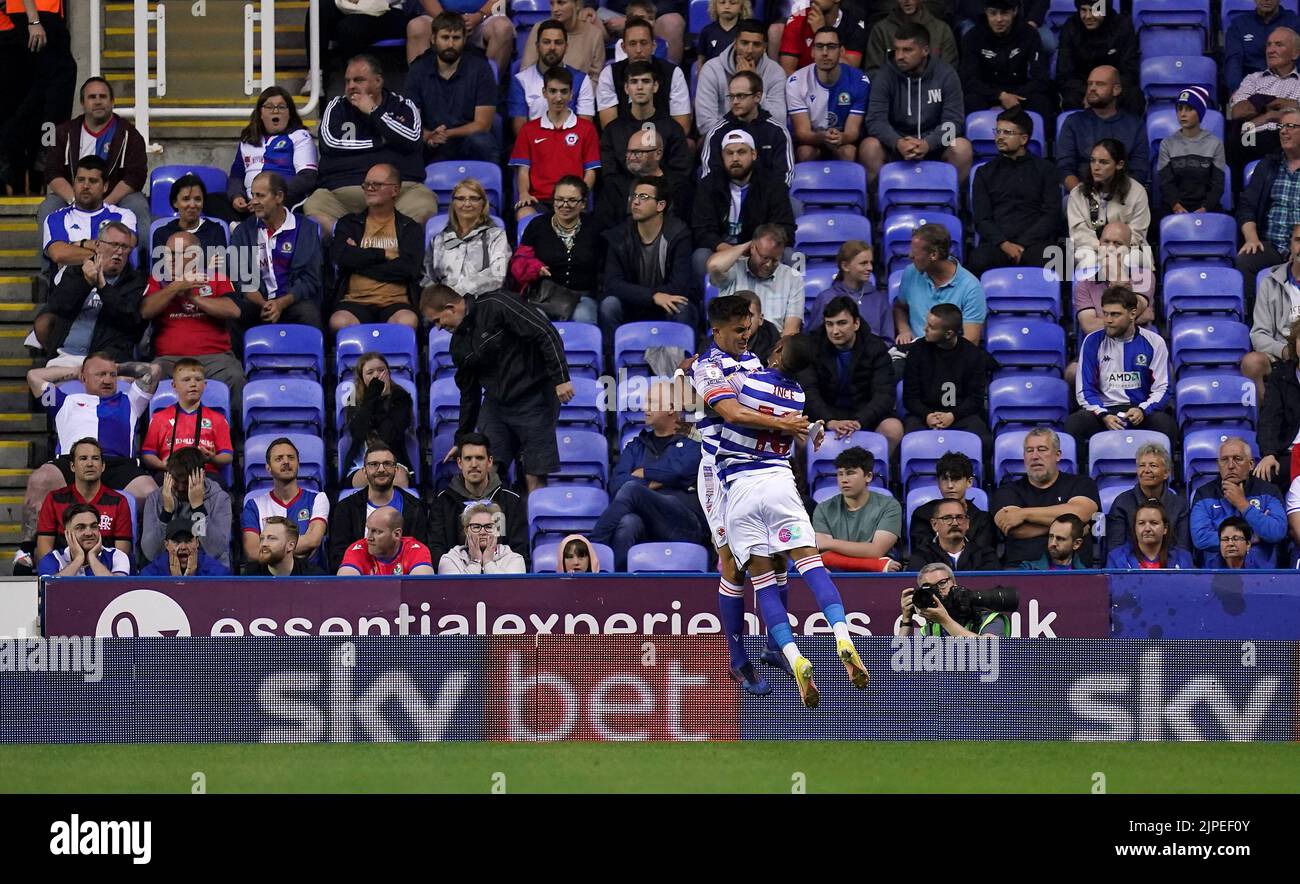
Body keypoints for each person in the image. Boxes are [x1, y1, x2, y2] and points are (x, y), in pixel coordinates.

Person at [717, 333, 871, 708]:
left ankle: (793, 655)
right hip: (780, 484)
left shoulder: (750, 382)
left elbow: (729, 409)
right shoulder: (799, 397)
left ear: (779, 351)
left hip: (740, 489)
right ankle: (842, 634)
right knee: (810, 564)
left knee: (764, 583)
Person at [690, 295, 811, 695]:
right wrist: (787, 424)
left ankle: (777, 645)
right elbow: (734, 414)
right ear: (717, 331)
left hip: (752, 471)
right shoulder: (707, 367)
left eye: (749, 328)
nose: (746, 336)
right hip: (717, 472)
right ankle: (738, 658)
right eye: (738, 330)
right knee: (732, 563)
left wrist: (798, 423)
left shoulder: (755, 363)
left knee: (776, 553)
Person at [426, 286, 574, 493]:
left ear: (451, 308)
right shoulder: (457, 346)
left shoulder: (497, 304)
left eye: (437, 320)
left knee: (534, 474)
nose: (439, 327)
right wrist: (462, 439)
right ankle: (495, 523)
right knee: (488, 471)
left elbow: (545, 332)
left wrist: (561, 379)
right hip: (496, 405)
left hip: (535, 398)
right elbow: (469, 394)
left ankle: (533, 523)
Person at [23, 355, 160, 558]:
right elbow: (33, 376)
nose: (107, 380)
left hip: (117, 464)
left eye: (112, 375)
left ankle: (150, 558)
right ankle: (26, 551)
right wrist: (77, 370)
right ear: (84, 378)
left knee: (152, 494)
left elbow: (154, 370)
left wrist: (117, 365)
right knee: (39, 479)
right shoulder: (64, 401)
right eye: (100, 374)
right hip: (73, 462)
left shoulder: (131, 400)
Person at [304, 56, 439, 237]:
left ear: (378, 82)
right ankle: (349, 240)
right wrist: (384, 142)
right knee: (315, 205)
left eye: (358, 80)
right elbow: (330, 144)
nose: (351, 86)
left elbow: (413, 139)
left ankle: (388, 244)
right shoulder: (336, 107)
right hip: (343, 194)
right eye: (348, 81)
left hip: (400, 193)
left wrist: (375, 112)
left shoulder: (403, 106)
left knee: (424, 204)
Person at [591, 379, 707, 569]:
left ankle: (593, 548)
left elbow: (678, 472)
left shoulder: (693, 443)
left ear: (671, 408)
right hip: (646, 523)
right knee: (628, 522)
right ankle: (617, 585)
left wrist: (645, 473)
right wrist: (654, 484)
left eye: (652, 402)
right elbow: (616, 484)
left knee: (632, 489)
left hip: (686, 525)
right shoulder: (636, 446)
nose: (645, 407)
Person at [1067, 285, 1176, 464]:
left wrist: (1143, 409)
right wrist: (1103, 414)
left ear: (1132, 314)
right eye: (1105, 313)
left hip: (1139, 410)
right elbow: (1085, 390)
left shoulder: (1154, 342)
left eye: (1115, 314)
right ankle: (1080, 477)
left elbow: (1163, 388)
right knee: (1075, 423)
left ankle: (1166, 478)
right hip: (1104, 411)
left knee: (1165, 424)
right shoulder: (1092, 341)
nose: (1108, 320)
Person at [141, 231, 246, 405]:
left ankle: (233, 433)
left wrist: (193, 298)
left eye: (178, 254)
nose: (171, 259)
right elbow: (145, 311)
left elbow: (233, 310)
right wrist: (175, 287)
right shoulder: (158, 280)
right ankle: (150, 432)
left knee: (235, 377)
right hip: (169, 359)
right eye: (167, 254)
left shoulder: (216, 277)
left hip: (216, 358)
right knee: (148, 379)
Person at [862, 24, 972, 186]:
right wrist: (898, 142)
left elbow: (954, 123)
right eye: (897, 49)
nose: (899, 56)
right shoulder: (884, 75)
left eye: (907, 50)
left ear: (925, 51)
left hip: (935, 145)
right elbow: (875, 121)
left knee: (962, 147)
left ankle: (951, 205)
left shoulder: (946, 74)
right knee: (869, 147)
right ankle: (879, 207)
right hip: (896, 145)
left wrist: (929, 143)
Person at [38, 77, 149, 238]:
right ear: (82, 103)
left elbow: (136, 176)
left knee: (137, 205)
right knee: (48, 207)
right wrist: (74, 202)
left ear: (112, 102)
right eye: (92, 97)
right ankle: (50, 263)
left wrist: (105, 205)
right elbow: (52, 172)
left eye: (103, 97)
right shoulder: (62, 133)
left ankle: (141, 263)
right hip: (73, 197)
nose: (98, 101)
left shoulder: (130, 134)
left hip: (115, 198)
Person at [327, 162, 424, 334]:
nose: (369, 188)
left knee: (407, 322)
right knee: (339, 322)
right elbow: (341, 257)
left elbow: (409, 269)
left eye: (377, 184)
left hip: (396, 303)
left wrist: (358, 260)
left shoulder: (409, 227)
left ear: (395, 190)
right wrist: (384, 254)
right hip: (354, 302)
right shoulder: (349, 223)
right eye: (366, 184)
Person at [33, 220, 145, 367]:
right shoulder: (76, 270)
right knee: (35, 377)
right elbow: (59, 306)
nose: (119, 251)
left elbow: (131, 320)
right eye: (114, 245)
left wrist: (102, 287)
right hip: (65, 356)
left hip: (107, 362)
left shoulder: (135, 280)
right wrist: (85, 281)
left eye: (124, 247)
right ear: (98, 245)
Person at [690, 129, 796, 281]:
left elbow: (785, 228)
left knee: (789, 255)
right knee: (700, 256)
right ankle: (708, 302)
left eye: (741, 152)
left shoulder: (772, 185)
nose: (735, 158)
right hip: (721, 249)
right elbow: (701, 230)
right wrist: (729, 249)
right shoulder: (709, 185)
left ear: (753, 155)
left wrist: (758, 247)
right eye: (729, 153)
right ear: (722, 156)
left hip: (760, 249)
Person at [801, 296, 904, 451]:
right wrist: (830, 421)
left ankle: (873, 474)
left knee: (892, 429)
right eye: (829, 324)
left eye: (842, 323)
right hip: (825, 416)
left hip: (864, 415)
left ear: (856, 323)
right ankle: (805, 475)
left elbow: (884, 395)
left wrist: (859, 421)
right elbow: (808, 392)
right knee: (799, 433)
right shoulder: (812, 347)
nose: (835, 331)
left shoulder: (875, 348)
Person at [600, 175, 697, 338]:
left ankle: (683, 361)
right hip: (632, 304)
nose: (636, 202)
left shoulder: (678, 235)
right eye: (635, 196)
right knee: (609, 305)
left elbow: (680, 286)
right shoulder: (619, 236)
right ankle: (611, 362)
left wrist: (657, 298)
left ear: (660, 205)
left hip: (666, 305)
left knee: (681, 306)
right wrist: (652, 296)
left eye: (644, 197)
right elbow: (612, 283)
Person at [967, 108, 1061, 277]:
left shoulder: (1046, 170)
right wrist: (1004, 244)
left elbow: (1051, 215)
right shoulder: (984, 172)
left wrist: (1022, 245)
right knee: (977, 260)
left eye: (1007, 132)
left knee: (1057, 260)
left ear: (1024, 138)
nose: (1000, 137)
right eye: (998, 131)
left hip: (1035, 243)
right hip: (998, 244)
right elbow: (982, 219)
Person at [990, 426, 1101, 567]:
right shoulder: (1007, 490)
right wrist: (1071, 529)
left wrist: (1023, 514)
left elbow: (1080, 512)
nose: (1035, 456)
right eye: (1029, 451)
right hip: (1020, 572)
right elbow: (1012, 528)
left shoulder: (1081, 484)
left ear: (1058, 455)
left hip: (1073, 573)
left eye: (1042, 449)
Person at [229, 171, 324, 331]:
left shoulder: (306, 229)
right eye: (253, 195)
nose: (254, 201)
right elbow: (242, 279)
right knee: (235, 313)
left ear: (279, 197)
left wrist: (280, 303)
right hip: (258, 302)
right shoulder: (243, 232)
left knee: (309, 313)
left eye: (260, 196)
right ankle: (236, 357)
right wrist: (264, 304)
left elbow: (310, 279)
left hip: (293, 301)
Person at [404, 12, 499, 163]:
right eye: (445, 37)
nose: (450, 44)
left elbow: (483, 124)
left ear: (465, 39)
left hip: (466, 138)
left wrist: (447, 133)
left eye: (456, 38)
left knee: (482, 142)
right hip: (431, 139)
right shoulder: (418, 69)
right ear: (433, 39)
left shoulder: (481, 69)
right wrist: (428, 135)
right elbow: (411, 121)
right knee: (406, 141)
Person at [510, 66, 601, 220]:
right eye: (553, 91)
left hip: (571, 200)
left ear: (571, 94)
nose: (558, 98)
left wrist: (579, 197)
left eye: (564, 91)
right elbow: (523, 170)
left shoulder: (587, 129)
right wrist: (524, 194)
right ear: (544, 93)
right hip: (539, 200)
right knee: (524, 214)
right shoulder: (528, 129)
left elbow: (590, 171)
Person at [215, 86, 317, 223]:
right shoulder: (247, 140)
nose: (275, 111)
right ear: (260, 113)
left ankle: (246, 228)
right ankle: (240, 227)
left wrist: (270, 197)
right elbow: (236, 176)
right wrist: (237, 196)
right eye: (269, 107)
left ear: (289, 113)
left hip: (281, 201)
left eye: (281, 107)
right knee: (212, 200)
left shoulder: (300, 137)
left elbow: (307, 177)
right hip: (249, 203)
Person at [902, 302, 993, 451]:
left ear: (949, 333)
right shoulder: (917, 351)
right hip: (924, 415)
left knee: (984, 441)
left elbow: (975, 400)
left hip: (960, 416)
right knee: (909, 442)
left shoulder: (973, 355)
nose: (925, 329)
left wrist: (953, 415)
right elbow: (910, 398)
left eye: (931, 327)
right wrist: (927, 415)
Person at [427, 432, 528, 565]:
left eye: (479, 458)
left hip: (500, 577)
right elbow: (437, 549)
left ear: (490, 461)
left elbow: (519, 551)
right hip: (456, 577)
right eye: (468, 458)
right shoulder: (443, 501)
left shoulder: (511, 501)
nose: (474, 464)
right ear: (459, 462)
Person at [514, 176, 602, 324]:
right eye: (559, 199)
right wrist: (535, 268)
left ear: (583, 203)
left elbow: (605, 268)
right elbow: (519, 262)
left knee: (583, 317)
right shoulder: (537, 225)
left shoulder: (596, 228)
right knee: (534, 319)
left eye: (572, 200)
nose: (565, 205)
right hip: (543, 297)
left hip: (583, 297)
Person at [41, 156, 137, 288]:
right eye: (80, 180)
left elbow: (128, 244)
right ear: (74, 183)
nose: (85, 186)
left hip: (111, 291)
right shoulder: (56, 218)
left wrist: (79, 244)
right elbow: (58, 254)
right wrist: (106, 254)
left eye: (93, 181)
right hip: (69, 293)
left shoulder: (123, 215)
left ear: (105, 186)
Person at [329, 443, 430, 568]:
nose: (381, 469)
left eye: (387, 463)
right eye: (374, 464)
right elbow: (338, 556)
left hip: (403, 581)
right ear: (364, 471)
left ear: (396, 470)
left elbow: (420, 552)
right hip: (360, 580)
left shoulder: (415, 507)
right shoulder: (345, 508)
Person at [33, 436, 133, 563]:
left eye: (95, 458)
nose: (90, 464)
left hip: (104, 575)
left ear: (102, 466)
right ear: (72, 466)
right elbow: (45, 550)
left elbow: (121, 556)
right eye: (83, 458)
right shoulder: (54, 499)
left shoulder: (119, 502)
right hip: (65, 573)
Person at [1191, 437, 1287, 565]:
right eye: (1224, 460)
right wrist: (1248, 538)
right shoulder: (1204, 494)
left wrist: (1242, 504)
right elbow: (1200, 538)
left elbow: (1277, 532)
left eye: (1237, 459)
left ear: (1251, 464)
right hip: (1216, 574)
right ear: (1218, 464)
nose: (1230, 466)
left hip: (1263, 574)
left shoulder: (1269, 491)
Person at [785, 26, 870, 165]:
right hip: (812, 140)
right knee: (805, 152)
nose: (825, 53)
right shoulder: (796, 81)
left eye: (831, 47)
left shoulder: (859, 81)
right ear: (812, 52)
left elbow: (853, 131)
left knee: (848, 152)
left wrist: (842, 137)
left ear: (841, 51)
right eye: (819, 47)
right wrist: (823, 136)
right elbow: (803, 133)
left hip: (842, 140)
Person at [1071, 222, 1156, 360]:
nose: (1110, 248)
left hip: (1138, 350)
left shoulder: (1144, 276)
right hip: (1100, 350)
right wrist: (1136, 317)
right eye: (1106, 242)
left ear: (1129, 249)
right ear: (1099, 245)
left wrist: (1118, 276)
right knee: (1072, 372)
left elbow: (1137, 307)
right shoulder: (1084, 285)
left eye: (1117, 244)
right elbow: (1089, 326)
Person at [1056, 67, 1150, 191]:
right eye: (1090, 84)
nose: (1092, 88)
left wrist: (1116, 196)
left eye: (1100, 84)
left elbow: (1140, 170)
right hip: (1082, 194)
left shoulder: (1135, 124)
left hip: (1124, 195)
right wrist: (1082, 196)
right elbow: (1064, 168)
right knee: (1066, 203)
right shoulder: (1073, 122)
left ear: (1116, 89)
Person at [811, 446, 904, 571]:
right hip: (840, 572)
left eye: (850, 473)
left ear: (868, 476)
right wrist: (876, 564)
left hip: (876, 576)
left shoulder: (889, 506)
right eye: (840, 474)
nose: (844, 480)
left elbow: (876, 551)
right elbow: (824, 557)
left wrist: (830, 543)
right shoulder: (823, 508)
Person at [138, 446, 233, 569]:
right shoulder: (155, 499)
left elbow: (216, 550)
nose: (181, 487)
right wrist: (166, 513)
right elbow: (151, 553)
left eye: (186, 482)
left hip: (208, 569)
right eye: (176, 480)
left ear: (202, 476)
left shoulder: (220, 498)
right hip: (166, 568)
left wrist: (198, 508)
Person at [240, 437, 330, 565]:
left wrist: (269, 549)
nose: (286, 462)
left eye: (291, 457)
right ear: (268, 468)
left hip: (308, 576)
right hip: (268, 578)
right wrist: (295, 549)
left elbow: (312, 541)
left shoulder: (318, 499)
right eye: (279, 458)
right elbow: (253, 551)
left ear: (298, 464)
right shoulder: (254, 505)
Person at [893, 223, 987, 346]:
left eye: (915, 252)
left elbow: (970, 341)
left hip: (951, 358)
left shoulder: (971, 287)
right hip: (915, 353)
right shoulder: (911, 273)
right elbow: (900, 307)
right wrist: (904, 329)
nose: (910, 255)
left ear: (933, 255)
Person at [1237, 108, 1300, 288]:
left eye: (1290, 126)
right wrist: (1252, 239)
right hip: (1271, 246)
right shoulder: (1268, 165)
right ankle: (1252, 316)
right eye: (1281, 126)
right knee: (1245, 261)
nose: (1283, 131)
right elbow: (1246, 206)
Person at [140, 359, 235, 477]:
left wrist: (212, 459)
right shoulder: (159, 418)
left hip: (206, 474)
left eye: (198, 379)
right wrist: (161, 465)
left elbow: (227, 456)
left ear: (204, 385)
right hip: (170, 474)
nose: (193, 384)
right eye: (186, 380)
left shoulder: (218, 419)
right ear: (174, 385)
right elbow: (148, 454)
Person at [596, 16, 692, 132]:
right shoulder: (609, 74)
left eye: (643, 43)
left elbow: (682, 128)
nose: (638, 50)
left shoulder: (673, 73)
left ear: (654, 46)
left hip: (665, 143)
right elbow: (609, 129)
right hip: (622, 145)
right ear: (623, 47)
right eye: (632, 43)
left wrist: (652, 144)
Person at [597, 114, 692, 231]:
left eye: (637, 153)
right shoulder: (614, 187)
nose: (631, 157)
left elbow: (685, 226)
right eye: (629, 152)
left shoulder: (679, 187)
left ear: (658, 153)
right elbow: (604, 228)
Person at [695, 18, 788, 137]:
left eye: (756, 44)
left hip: (762, 138)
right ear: (735, 42)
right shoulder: (711, 69)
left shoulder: (776, 72)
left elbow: (780, 121)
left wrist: (754, 84)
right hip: (722, 138)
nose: (749, 50)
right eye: (744, 43)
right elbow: (705, 123)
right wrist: (738, 139)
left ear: (765, 46)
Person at [708, 221, 804, 335]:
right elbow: (714, 265)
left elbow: (791, 331)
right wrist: (744, 247)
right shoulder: (733, 269)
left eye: (775, 260)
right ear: (752, 248)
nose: (768, 265)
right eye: (764, 257)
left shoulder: (793, 278)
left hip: (772, 345)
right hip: (732, 342)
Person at [958, 0, 1050, 118]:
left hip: (1020, 91)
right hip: (986, 92)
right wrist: (1000, 96)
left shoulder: (1029, 34)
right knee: (970, 101)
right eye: (993, 13)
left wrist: (1014, 97)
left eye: (1005, 13)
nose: (999, 19)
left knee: (1042, 102)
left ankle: (1043, 136)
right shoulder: (972, 36)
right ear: (986, 12)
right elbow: (967, 79)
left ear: (1015, 11)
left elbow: (1041, 77)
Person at [1066, 139, 1151, 267]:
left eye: (1103, 162)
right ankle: (1089, 288)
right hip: (1091, 249)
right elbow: (1078, 232)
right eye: (1093, 160)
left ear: (1119, 164)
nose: (1096, 167)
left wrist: (1116, 248)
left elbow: (1138, 232)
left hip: (1128, 249)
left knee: (1131, 260)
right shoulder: (1078, 193)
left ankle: (1125, 287)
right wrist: (1101, 247)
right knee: (1087, 261)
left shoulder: (1137, 192)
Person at [699, 71, 794, 185]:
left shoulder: (777, 132)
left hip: (769, 199)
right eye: (732, 96)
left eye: (741, 96)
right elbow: (710, 176)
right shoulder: (717, 132)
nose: (735, 102)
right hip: (727, 199)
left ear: (757, 97)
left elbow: (784, 176)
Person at [422, 178, 510, 299]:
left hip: (482, 303)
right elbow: (428, 280)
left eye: (474, 198)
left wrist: (457, 292)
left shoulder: (496, 236)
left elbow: (497, 276)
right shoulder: (438, 240)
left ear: (483, 203)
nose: (467, 204)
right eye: (461, 198)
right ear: (453, 203)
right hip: (444, 305)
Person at [1227, 27, 1300, 169]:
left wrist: (1257, 104)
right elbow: (1239, 112)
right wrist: (1271, 112)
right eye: (1269, 45)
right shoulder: (1252, 79)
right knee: (1233, 142)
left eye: (1279, 45)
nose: (1270, 50)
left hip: (1285, 138)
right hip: (1251, 136)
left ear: (1295, 53)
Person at [509, 19, 596, 135]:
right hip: (535, 146)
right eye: (546, 42)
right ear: (537, 46)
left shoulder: (582, 80)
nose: (552, 47)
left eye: (558, 42)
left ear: (566, 47)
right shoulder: (521, 81)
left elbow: (585, 129)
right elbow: (520, 132)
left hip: (570, 147)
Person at [1054, 0, 1142, 116]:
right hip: (1082, 86)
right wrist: (1090, 91)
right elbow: (1064, 73)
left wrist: (1104, 91)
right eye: (1084, 10)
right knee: (1070, 98)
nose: (1088, 16)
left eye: (1095, 10)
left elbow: (1129, 71)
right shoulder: (1070, 27)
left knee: (1134, 96)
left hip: (1113, 86)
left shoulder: (1122, 26)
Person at [1105, 442, 1191, 559]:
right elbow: (1115, 549)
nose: (1146, 470)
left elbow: (1183, 550)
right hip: (1130, 570)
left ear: (1166, 473)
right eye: (1141, 465)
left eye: (1153, 465)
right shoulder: (1122, 503)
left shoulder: (1179, 505)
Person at [341, 354, 416, 488]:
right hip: (360, 463)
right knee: (365, 479)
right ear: (362, 377)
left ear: (388, 372)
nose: (377, 375)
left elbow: (388, 436)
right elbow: (358, 432)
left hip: (393, 461)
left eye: (381, 370)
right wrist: (372, 396)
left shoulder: (401, 398)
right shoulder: (353, 399)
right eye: (370, 372)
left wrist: (382, 400)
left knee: (397, 480)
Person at [1244, 236, 1300, 401]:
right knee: (1251, 362)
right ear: (1290, 245)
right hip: (1281, 354)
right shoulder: (1270, 283)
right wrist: (1283, 351)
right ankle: (1268, 420)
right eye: (1298, 240)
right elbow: (1259, 334)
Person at [1157, 86, 1227, 217]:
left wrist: (1205, 208)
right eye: (1180, 109)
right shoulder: (1167, 144)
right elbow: (1166, 183)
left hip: (1207, 208)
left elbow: (1217, 185)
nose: (1183, 114)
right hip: (1174, 207)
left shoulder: (1215, 144)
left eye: (1189, 109)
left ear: (1199, 112)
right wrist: (1176, 205)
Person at [907, 451, 996, 552]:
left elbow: (983, 555)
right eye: (945, 479)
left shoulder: (982, 520)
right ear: (938, 482)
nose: (950, 485)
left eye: (956, 479)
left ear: (969, 482)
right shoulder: (922, 515)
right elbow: (921, 553)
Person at [808, 241, 892, 341]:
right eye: (863, 263)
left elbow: (888, 340)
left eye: (871, 263)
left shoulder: (879, 299)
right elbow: (814, 339)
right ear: (845, 266)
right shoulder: (825, 298)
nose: (870, 268)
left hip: (874, 355)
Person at [898, 562, 1010, 636]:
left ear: (955, 584)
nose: (937, 591)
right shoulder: (931, 628)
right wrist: (906, 619)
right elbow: (900, 661)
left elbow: (990, 652)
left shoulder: (989, 619)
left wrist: (944, 620)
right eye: (929, 588)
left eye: (942, 583)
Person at [405, 0, 515, 70]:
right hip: (439, 17)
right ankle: (420, 94)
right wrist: (447, 20)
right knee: (417, 27)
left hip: (484, 18)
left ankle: (487, 90)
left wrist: (480, 16)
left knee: (503, 28)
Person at [1255, 318, 1300, 488]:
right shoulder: (1280, 377)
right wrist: (1269, 454)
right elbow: (1269, 420)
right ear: (1294, 343)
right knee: (1263, 477)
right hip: (1290, 453)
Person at [906, 497, 1001, 572]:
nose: (955, 523)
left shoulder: (986, 555)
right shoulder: (921, 557)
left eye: (959, 517)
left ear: (967, 523)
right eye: (947, 518)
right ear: (934, 524)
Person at [149, 173, 229, 262]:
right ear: (175, 202)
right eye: (186, 199)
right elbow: (161, 272)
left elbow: (220, 270)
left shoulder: (216, 231)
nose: (192, 205)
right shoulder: (162, 234)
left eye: (198, 199)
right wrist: (206, 263)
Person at [37, 503, 132, 578]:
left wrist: (92, 558)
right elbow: (49, 590)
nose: (89, 533)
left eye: (94, 526)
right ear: (67, 533)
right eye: (80, 527)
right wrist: (78, 559)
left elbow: (118, 590)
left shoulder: (116, 556)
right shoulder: (54, 558)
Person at [1225, 0, 1300, 94]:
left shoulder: (1295, 23)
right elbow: (1233, 60)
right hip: (1251, 87)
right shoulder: (1239, 24)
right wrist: (1237, 89)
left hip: (1289, 85)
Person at [865, 0, 957, 76]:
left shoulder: (941, 30)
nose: (907, 1)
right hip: (894, 95)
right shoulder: (881, 30)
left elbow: (949, 73)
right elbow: (873, 73)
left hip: (932, 95)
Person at [520, 0, 606, 81]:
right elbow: (526, 70)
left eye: (561, 3)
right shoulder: (540, 28)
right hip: (540, 92)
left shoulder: (594, 34)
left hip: (579, 94)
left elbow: (595, 78)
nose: (555, 9)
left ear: (577, 5)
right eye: (552, 3)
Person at [337, 506, 436, 575]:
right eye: (369, 529)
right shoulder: (358, 549)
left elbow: (421, 590)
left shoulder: (416, 550)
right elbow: (345, 587)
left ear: (396, 534)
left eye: (377, 532)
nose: (369, 538)